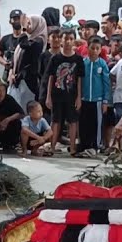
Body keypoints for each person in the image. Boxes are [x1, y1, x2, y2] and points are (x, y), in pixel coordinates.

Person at [44, 27, 85, 155]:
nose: (68, 41)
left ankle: (72, 148)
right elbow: (51, 78)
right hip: (57, 95)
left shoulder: (78, 60)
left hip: (72, 95)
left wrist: (79, 97)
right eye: (65, 39)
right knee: (55, 121)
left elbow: (79, 80)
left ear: (74, 41)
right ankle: (52, 146)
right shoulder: (55, 58)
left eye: (71, 39)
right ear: (61, 40)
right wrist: (48, 96)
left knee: (73, 121)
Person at [79, 36, 111, 155]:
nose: (94, 51)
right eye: (92, 48)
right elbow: (79, 81)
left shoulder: (102, 64)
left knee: (96, 124)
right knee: (84, 122)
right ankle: (83, 144)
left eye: (97, 48)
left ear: (100, 49)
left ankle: (96, 145)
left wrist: (105, 101)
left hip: (97, 100)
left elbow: (106, 83)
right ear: (88, 48)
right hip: (84, 98)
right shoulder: (83, 63)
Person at [9, 15, 46, 108]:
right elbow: (16, 57)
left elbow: (24, 44)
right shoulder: (29, 38)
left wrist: (24, 29)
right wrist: (11, 71)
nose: (28, 26)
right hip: (18, 78)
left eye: (30, 23)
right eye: (27, 23)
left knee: (26, 108)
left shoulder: (39, 41)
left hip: (29, 80)